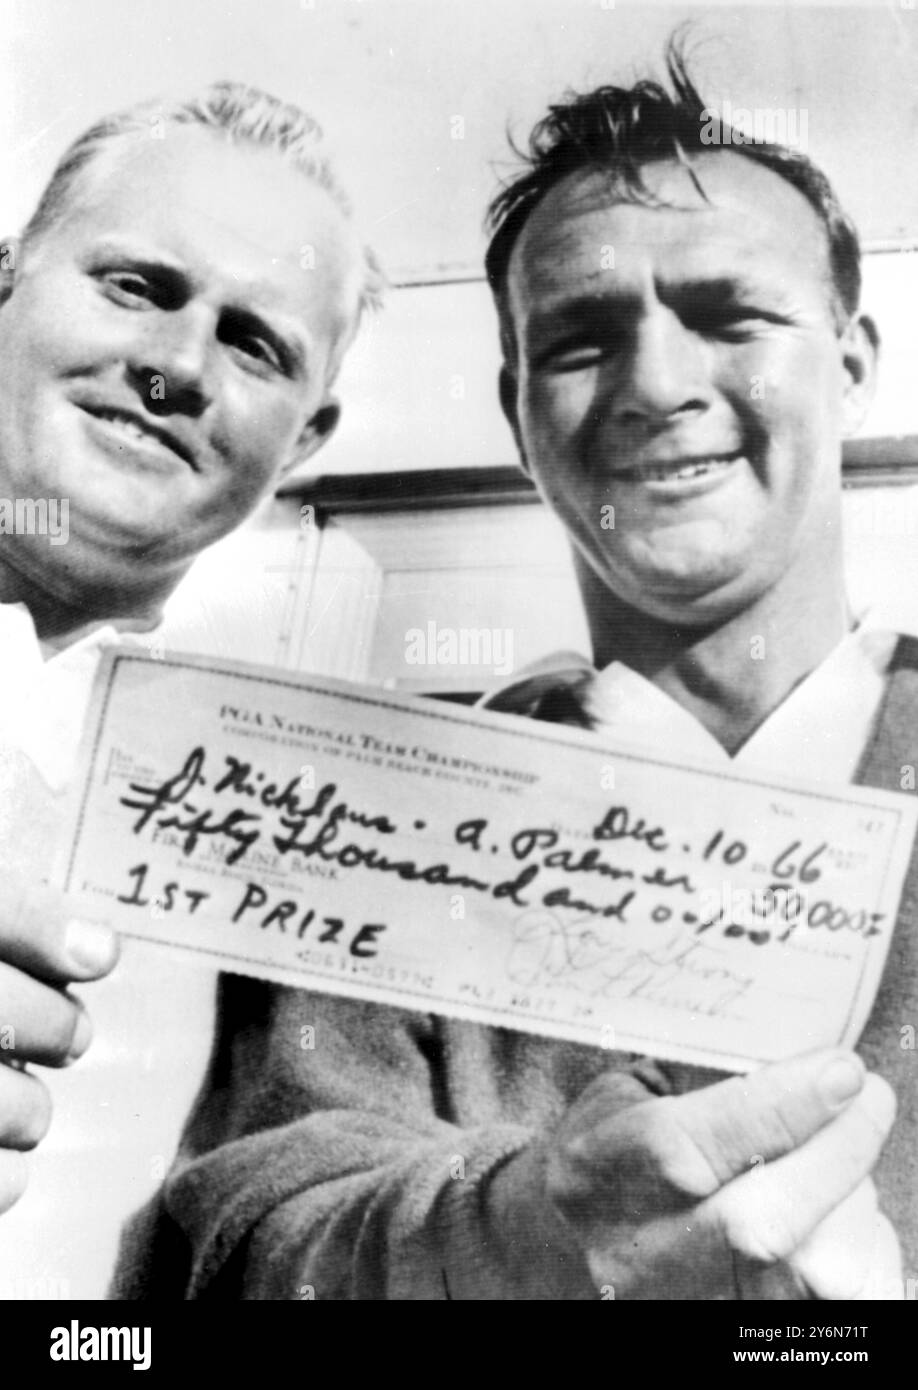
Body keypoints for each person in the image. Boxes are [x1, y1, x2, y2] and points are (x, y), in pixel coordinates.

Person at [120, 50, 915, 1301]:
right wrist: (518, 1231)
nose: (658, 385)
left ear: (854, 363)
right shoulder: (371, 821)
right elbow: (248, 1231)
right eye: (583, 340)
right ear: (517, 411)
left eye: (730, 316)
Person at [0, 81, 381, 1297]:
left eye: (252, 343)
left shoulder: (290, 828)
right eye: (136, 286)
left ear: (306, 438)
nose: (172, 367)